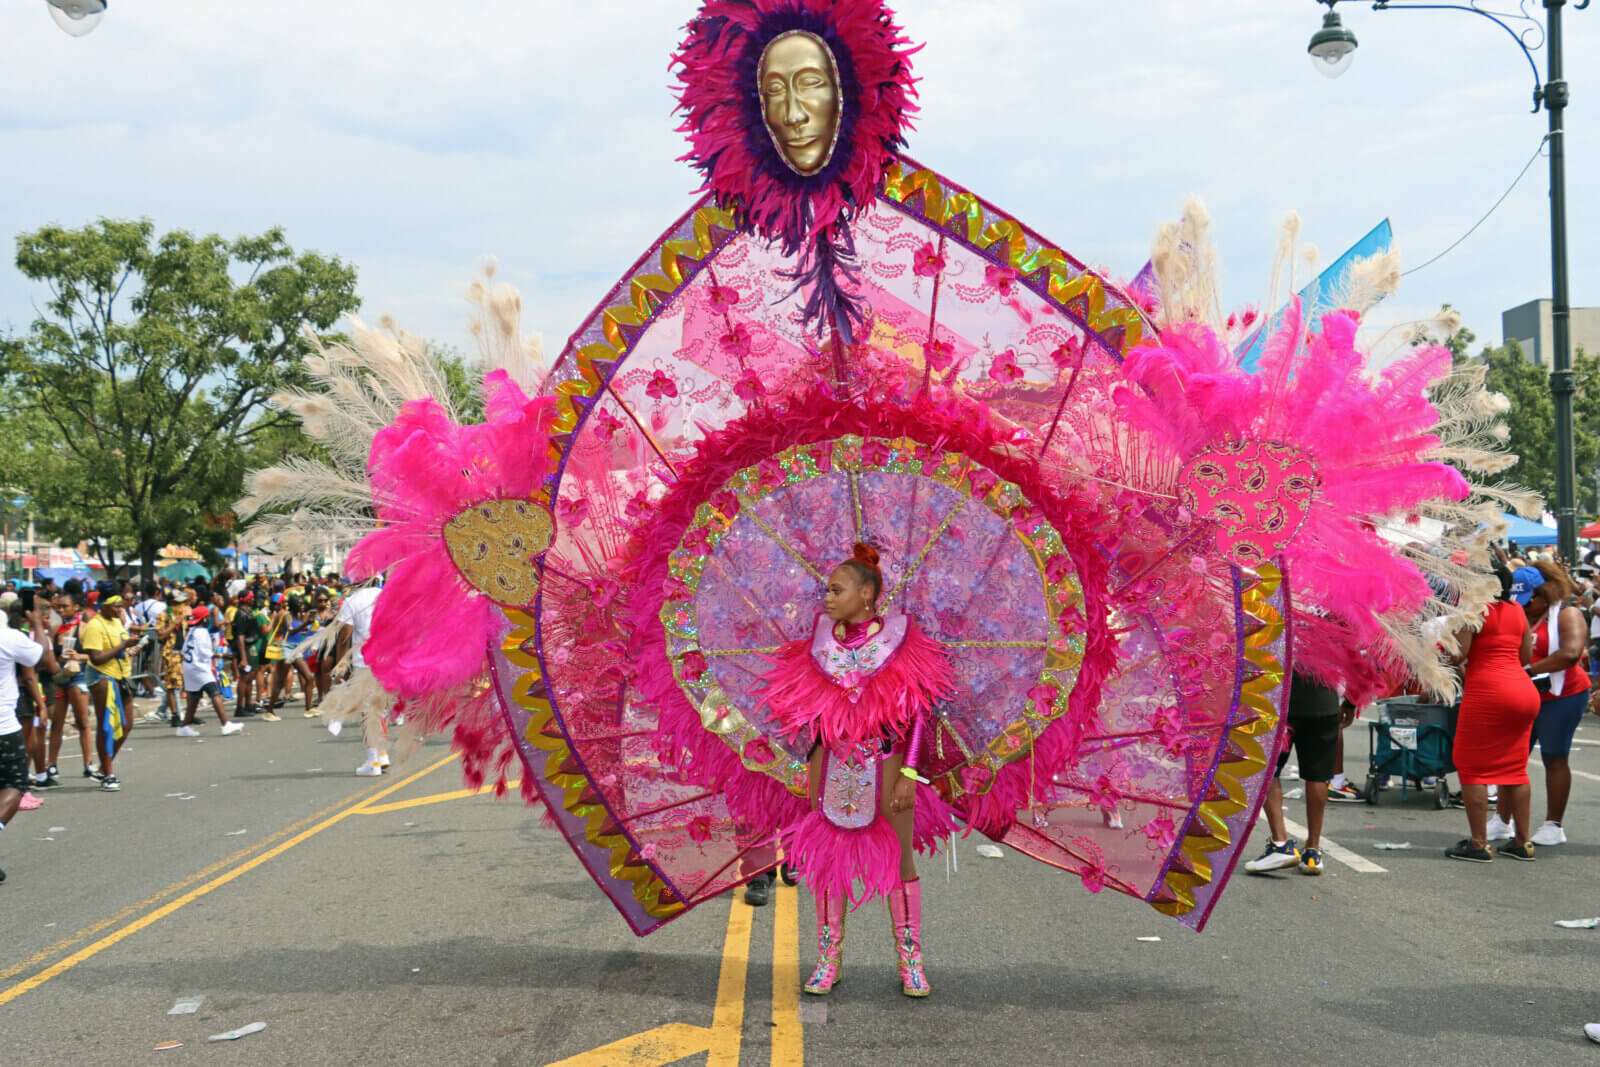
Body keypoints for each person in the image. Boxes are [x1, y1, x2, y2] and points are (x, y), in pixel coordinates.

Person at [760, 544, 955, 998]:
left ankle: (910, 960)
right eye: (827, 591)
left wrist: (910, 773)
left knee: (900, 861)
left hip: (886, 764)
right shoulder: (818, 642)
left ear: (866, 594)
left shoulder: (900, 640)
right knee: (827, 864)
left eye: (836, 590)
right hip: (829, 765)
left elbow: (920, 714)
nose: (827, 598)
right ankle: (829, 959)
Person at [1489, 561, 1592, 846]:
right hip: (1523, 695)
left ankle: (1553, 825)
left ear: (1545, 594)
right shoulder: (1517, 613)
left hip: (1563, 695)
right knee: (1511, 757)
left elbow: (1571, 653)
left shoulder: (1567, 614)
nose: (1522, 605)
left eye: (1528, 599)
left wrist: (1528, 671)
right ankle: (1502, 820)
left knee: (1554, 756)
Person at [1447, 561, 1540, 862]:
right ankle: (1523, 842)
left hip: (1489, 693)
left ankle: (1478, 844)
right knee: (1515, 768)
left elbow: (1458, 654)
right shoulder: (1517, 610)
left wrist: (1441, 641)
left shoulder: (1474, 611)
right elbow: (1525, 656)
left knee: (1470, 765)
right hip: (1523, 691)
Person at [1245, 674, 1354, 876]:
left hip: (1281, 700)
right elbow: (1357, 660)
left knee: (1268, 769)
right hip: (1325, 701)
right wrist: (1351, 702)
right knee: (1318, 776)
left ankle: (1280, 844)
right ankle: (1313, 851)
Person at [1, 599, 59, 881]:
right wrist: (37, 622)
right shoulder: (10, 637)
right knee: (15, 784)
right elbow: (46, 661)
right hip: (4, 728)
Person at [80, 594, 141, 792]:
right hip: (102, 677)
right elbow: (96, 658)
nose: (119, 609)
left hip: (122, 676)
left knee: (126, 724)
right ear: (104, 606)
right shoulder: (94, 625)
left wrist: (131, 649)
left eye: (121, 606)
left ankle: (102, 767)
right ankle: (108, 773)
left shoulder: (117, 622)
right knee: (106, 725)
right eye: (116, 606)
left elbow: (118, 650)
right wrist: (124, 645)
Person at [176, 606, 241, 737]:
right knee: (215, 693)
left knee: (194, 697)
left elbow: (183, 650)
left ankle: (184, 727)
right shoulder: (202, 632)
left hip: (188, 666)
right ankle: (225, 725)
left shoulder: (192, 631)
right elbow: (205, 652)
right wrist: (220, 654)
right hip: (199, 667)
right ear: (204, 619)